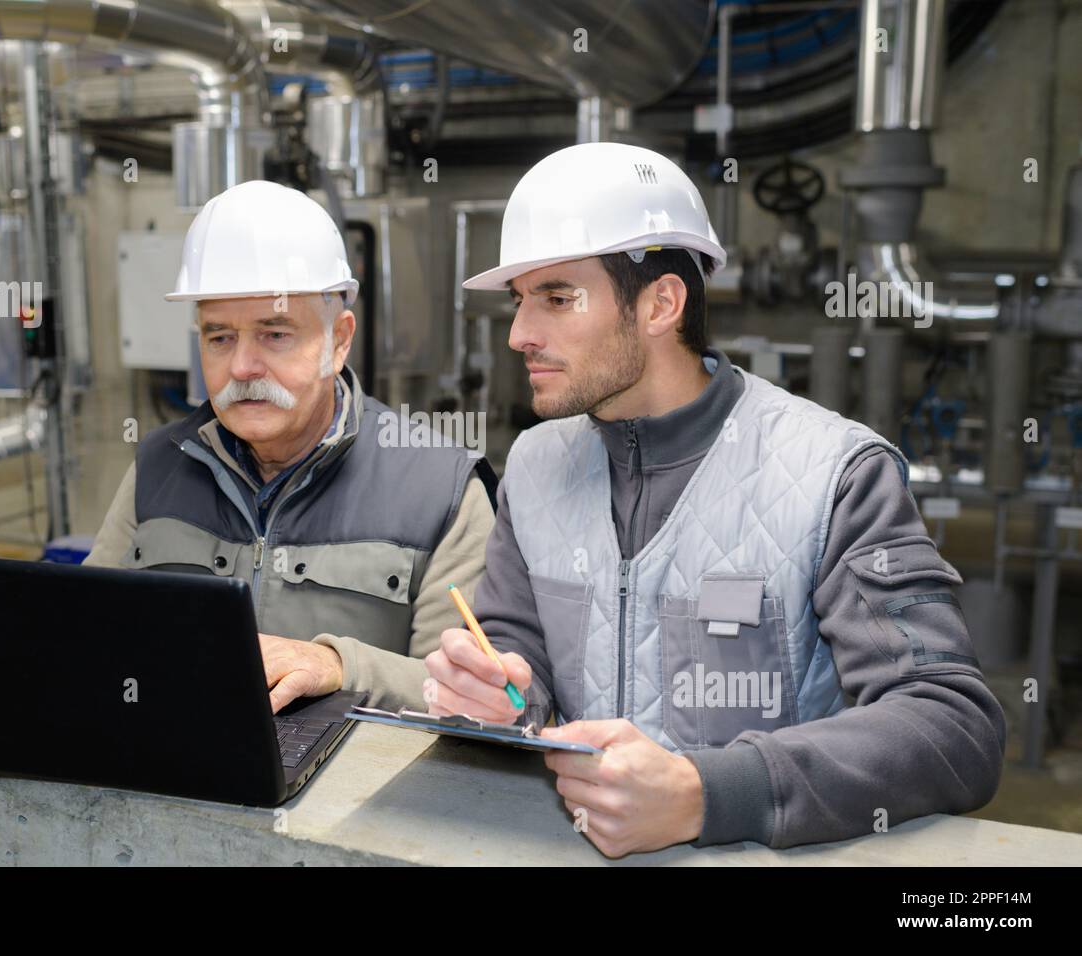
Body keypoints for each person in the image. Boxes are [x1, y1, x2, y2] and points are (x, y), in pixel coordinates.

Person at [423, 142, 1005, 855]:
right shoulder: (538, 465)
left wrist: (710, 794)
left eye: (557, 297)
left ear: (661, 303)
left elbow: (951, 725)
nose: (519, 335)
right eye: (520, 301)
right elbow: (519, 650)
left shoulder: (834, 473)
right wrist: (499, 689)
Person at [86, 180, 495, 713]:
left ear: (339, 339)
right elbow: (83, 634)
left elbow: (474, 701)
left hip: (355, 792)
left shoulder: (441, 490)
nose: (242, 367)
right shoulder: (157, 466)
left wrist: (342, 668)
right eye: (219, 337)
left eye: (275, 334)